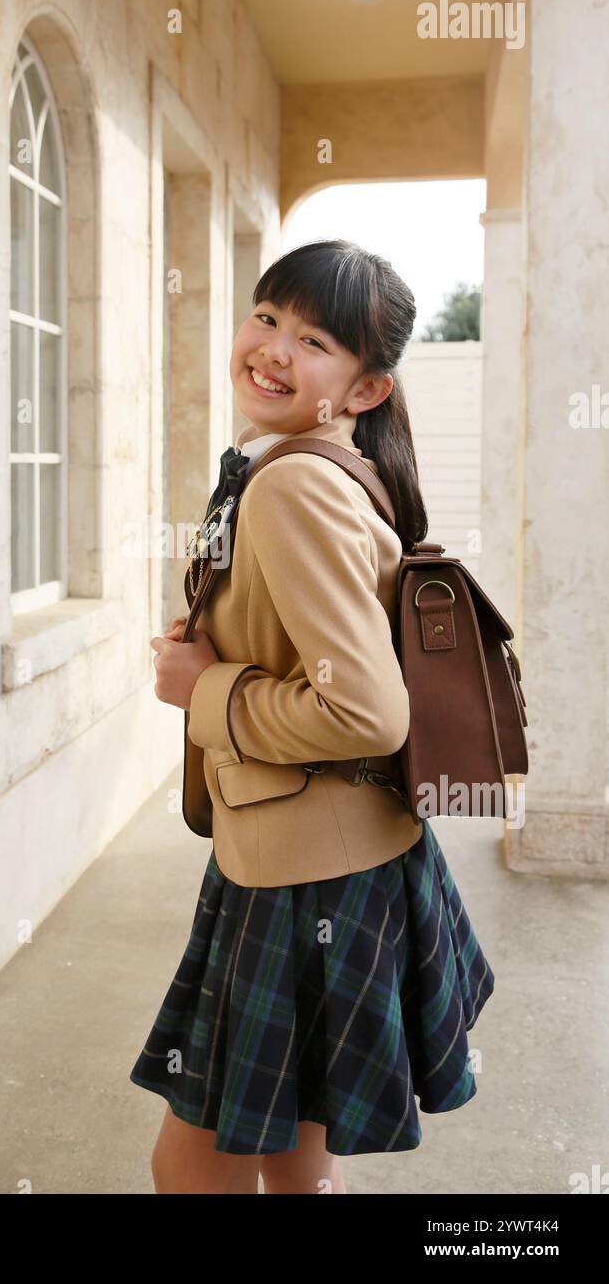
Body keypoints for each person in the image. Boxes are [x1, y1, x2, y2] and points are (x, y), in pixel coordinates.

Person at [131, 239, 495, 1195]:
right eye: (267, 318)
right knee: (296, 1153)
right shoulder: (322, 467)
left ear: (366, 388)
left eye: (314, 340)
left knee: (192, 1165)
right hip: (333, 858)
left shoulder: (293, 484)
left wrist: (204, 689)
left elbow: (365, 710)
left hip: (300, 880)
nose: (273, 349)